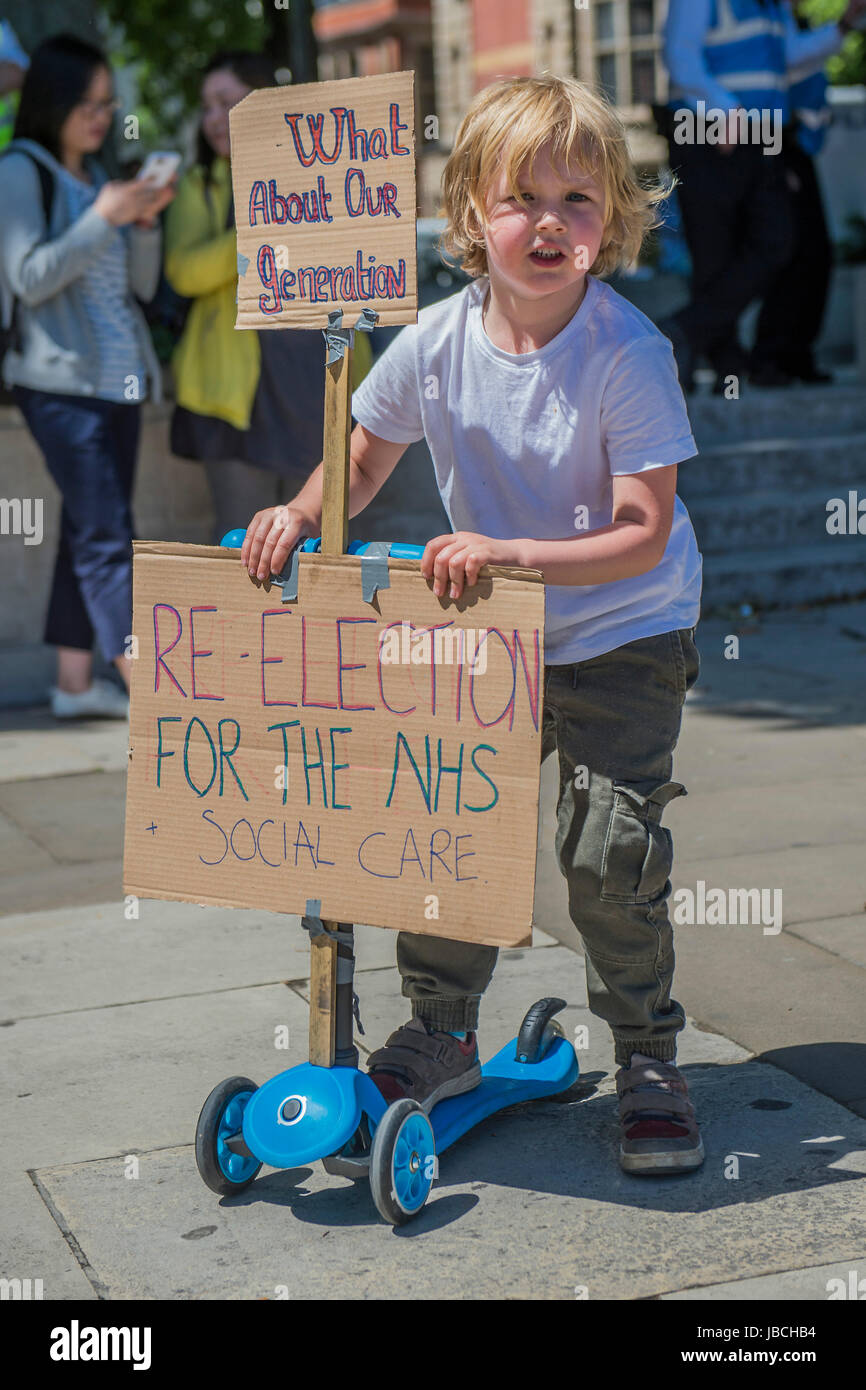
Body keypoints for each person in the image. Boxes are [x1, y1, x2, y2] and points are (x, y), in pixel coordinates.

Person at [242, 75, 709, 1175]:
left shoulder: (623, 352)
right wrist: (298, 512)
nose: (549, 224)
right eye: (521, 198)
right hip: (491, 633)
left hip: (620, 631)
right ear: (468, 220)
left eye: (578, 201)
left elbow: (642, 532)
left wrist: (506, 553)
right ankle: (441, 1028)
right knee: (443, 824)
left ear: (612, 223)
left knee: (607, 851)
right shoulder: (434, 343)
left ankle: (646, 1053)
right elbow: (360, 451)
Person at [0, 34, 175, 718]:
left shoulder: (96, 178)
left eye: (108, 103)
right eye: (86, 102)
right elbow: (27, 277)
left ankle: (73, 683)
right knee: (108, 539)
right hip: (61, 385)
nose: (101, 116)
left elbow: (139, 284)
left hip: (118, 381)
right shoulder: (21, 170)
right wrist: (103, 216)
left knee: (88, 529)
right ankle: (153, 692)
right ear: (53, 99)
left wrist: (142, 223)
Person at [164, 51, 372, 546]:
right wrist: (257, 228)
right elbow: (184, 272)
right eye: (206, 107)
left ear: (263, 102)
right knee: (242, 540)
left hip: (321, 386)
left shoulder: (324, 175)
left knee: (323, 540)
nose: (213, 118)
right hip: (236, 400)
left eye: (224, 102)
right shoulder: (201, 185)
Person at [659, 0, 865, 392]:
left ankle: (681, 334)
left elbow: (787, 56)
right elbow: (680, 55)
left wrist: (842, 27)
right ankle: (726, 369)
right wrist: (723, 111)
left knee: (778, 240)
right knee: (715, 256)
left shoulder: (771, 5)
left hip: (758, 137)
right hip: (710, 133)